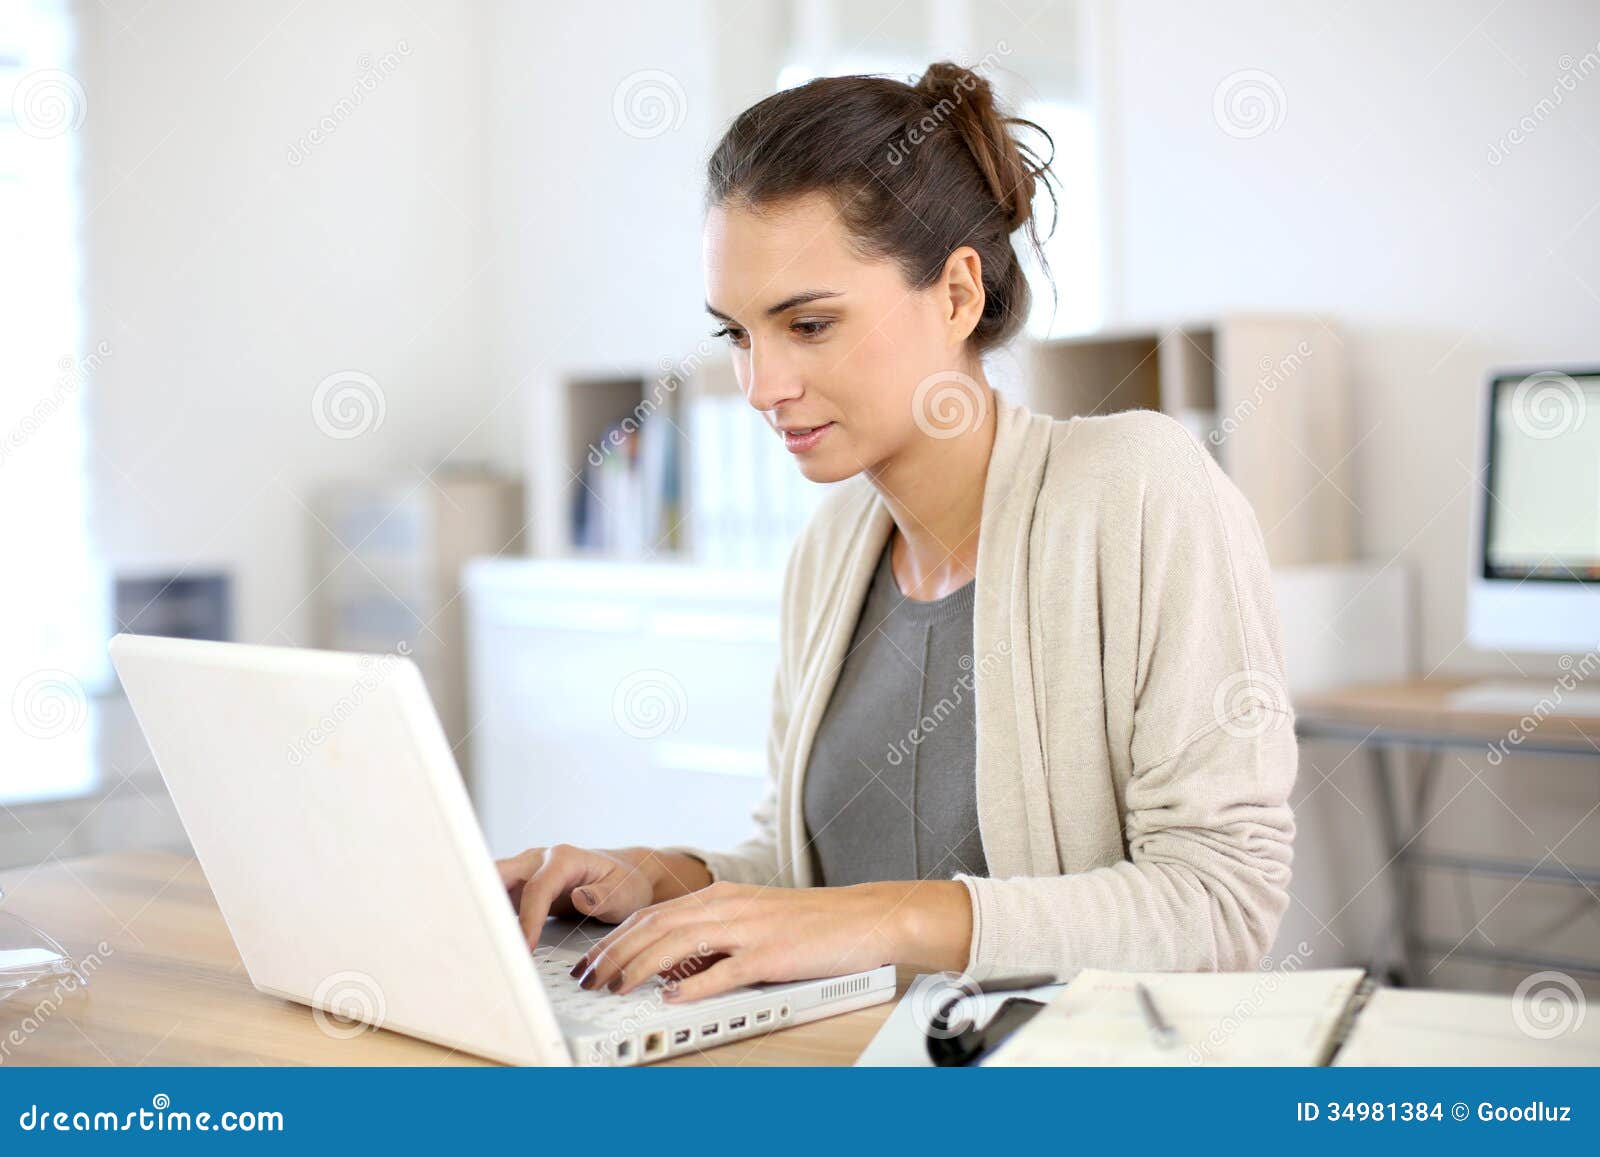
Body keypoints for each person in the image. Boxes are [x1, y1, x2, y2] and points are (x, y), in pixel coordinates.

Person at [496, 61, 1296, 1003]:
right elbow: (809, 872)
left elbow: (1221, 902)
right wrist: (663, 878)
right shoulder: (833, 548)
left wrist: (884, 917)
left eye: (808, 323)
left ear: (957, 295)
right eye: (738, 335)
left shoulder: (1135, 492)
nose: (761, 385)